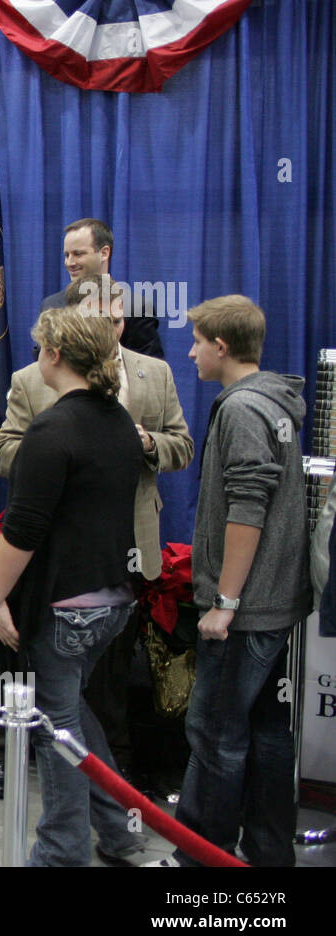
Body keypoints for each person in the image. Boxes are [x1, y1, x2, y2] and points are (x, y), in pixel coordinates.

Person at [0, 276, 195, 796]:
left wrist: (145, 443)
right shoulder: (44, 389)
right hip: (77, 571)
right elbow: (5, 454)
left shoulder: (147, 379)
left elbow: (182, 446)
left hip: (98, 570)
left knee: (80, 702)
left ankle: (86, 814)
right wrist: (47, 451)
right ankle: (105, 813)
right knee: (61, 697)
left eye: (119, 317)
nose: (113, 326)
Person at [0, 306, 148, 867]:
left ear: (55, 355)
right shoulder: (117, 419)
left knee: (57, 727)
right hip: (113, 599)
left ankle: (61, 851)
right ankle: (120, 830)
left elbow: (24, 527)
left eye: (39, 349)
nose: (35, 358)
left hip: (66, 606)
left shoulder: (53, 429)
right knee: (71, 711)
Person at [149, 295, 310, 866]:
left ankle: (199, 858)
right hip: (273, 603)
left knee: (215, 735)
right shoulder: (275, 402)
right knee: (265, 732)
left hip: (245, 610)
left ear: (221, 346)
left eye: (196, 342)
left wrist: (225, 602)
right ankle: (269, 854)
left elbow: (248, 508)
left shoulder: (241, 408)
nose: (189, 352)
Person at [40, 218, 164, 358]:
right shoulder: (51, 305)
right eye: (66, 255)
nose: (69, 262)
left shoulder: (135, 307)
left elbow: (149, 369)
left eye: (78, 254)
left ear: (104, 253)